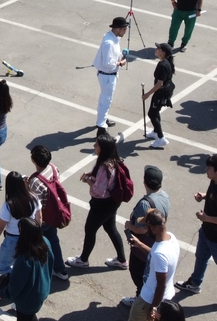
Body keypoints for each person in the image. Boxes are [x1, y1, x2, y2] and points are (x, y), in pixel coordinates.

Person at [175, 154, 217, 310]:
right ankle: (195, 283)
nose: (206, 170)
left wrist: (206, 217)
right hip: (207, 232)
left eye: (209, 168)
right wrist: (205, 196)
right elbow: (214, 196)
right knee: (201, 257)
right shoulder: (214, 182)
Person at [66, 134, 128, 270]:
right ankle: (122, 260)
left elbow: (99, 191)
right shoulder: (111, 160)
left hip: (102, 204)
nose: (94, 146)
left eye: (96, 145)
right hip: (111, 202)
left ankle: (83, 260)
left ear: (103, 148)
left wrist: (87, 180)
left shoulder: (105, 167)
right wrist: (91, 174)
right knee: (110, 228)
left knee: (90, 229)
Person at [121, 165, 171, 307]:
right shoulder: (165, 196)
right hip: (156, 241)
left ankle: (141, 299)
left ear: (145, 182)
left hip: (142, 246)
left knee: (138, 274)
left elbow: (142, 230)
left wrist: (128, 225)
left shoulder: (145, 204)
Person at [127, 209, 179, 321]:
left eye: (146, 226)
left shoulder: (160, 254)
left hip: (148, 300)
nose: (145, 229)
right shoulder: (170, 237)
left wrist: (153, 307)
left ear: (154, 228)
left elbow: (161, 285)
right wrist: (140, 245)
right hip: (166, 296)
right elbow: (155, 255)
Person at [0, 217, 52, 320]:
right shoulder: (46, 243)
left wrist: (2, 293)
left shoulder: (24, 259)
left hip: (27, 300)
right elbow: (51, 265)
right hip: (42, 290)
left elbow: (16, 284)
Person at [27, 146, 69, 281]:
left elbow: (35, 204)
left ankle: (35, 273)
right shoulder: (52, 167)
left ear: (34, 160)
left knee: (34, 245)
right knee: (54, 241)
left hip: (42, 219)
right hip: (54, 214)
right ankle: (60, 269)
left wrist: (26, 188)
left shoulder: (35, 182)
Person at [0, 172, 42, 276]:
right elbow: (39, 218)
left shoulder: (8, 205)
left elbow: (0, 227)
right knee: (24, 261)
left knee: (2, 266)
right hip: (31, 237)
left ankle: (17, 280)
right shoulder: (34, 197)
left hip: (13, 240)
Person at [93, 17, 128, 137]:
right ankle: (101, 128)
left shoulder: (112, 37)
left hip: (108, 75)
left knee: (104, 98)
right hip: (107, 76)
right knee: (106, 101)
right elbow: (108, 64)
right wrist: (120, 63)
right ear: (117, 29)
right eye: (124, 29)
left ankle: (103, 119)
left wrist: (119, 57)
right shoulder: (109, 43)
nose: (125, 31)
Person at [143, 43, 175, 148]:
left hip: (161, 93)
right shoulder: (165, 62)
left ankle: (161, 138)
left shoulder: (163, 65)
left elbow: (160, 83)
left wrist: (147, 94)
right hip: (163, 92)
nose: (156, 49)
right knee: (155, 112)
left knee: (152, 114)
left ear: (163, 52)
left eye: (158, 48)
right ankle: (156, 131)